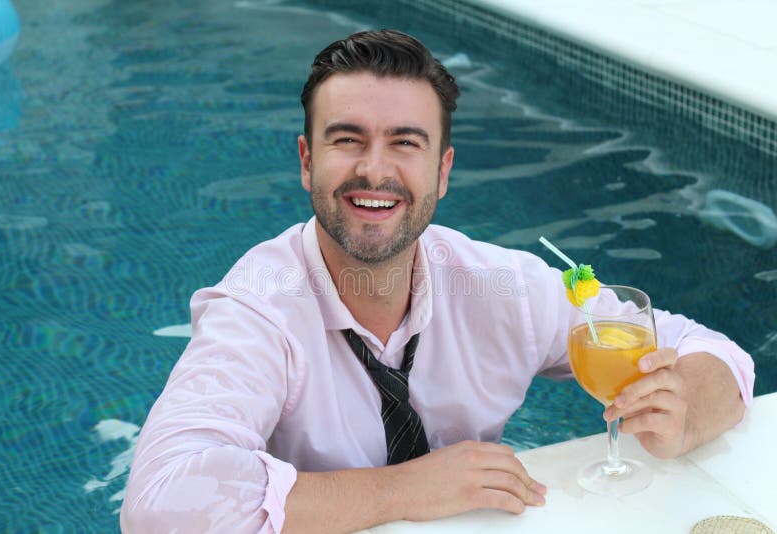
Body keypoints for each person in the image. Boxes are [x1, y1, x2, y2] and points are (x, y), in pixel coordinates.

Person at [120, 29, 755, 533]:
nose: (375, 169)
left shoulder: (501, 286)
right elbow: (160, 503)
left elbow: (714, 350)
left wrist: (685, 409)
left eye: (406, 143)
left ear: (443, 170)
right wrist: (405, 489)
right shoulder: (259, 310)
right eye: (347, 139)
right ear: (307, 160)